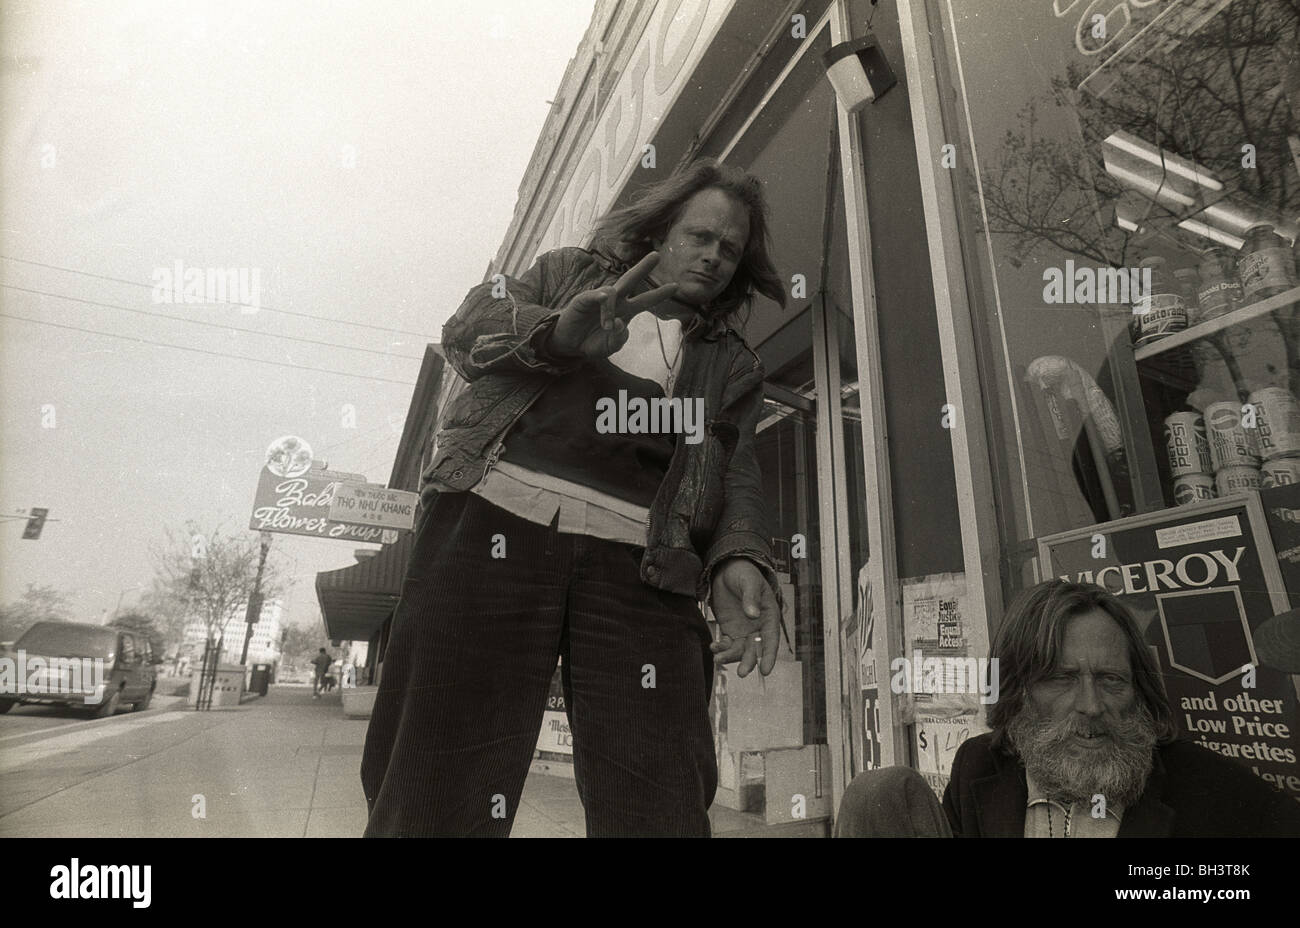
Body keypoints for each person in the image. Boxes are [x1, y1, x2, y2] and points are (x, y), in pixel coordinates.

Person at [361, 159, 788, 837]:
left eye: (729, 249)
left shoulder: (730, 361)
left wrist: (740, 556)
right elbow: (466, 329)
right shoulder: (567, 273)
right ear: (661, 232)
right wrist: (557, 332)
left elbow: (734, 472)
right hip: (494, 526)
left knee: (661, 793)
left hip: (640, 565)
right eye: (699, 236)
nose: (712, 255)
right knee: (439, 776)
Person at [836, 579, 1300, 837]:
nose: (1092, 706)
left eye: (1111, 679)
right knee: (879, 793)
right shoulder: (979, 766)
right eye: (1060, 679)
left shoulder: (1220, 794)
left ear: (1139, 690)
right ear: (1016, 690)